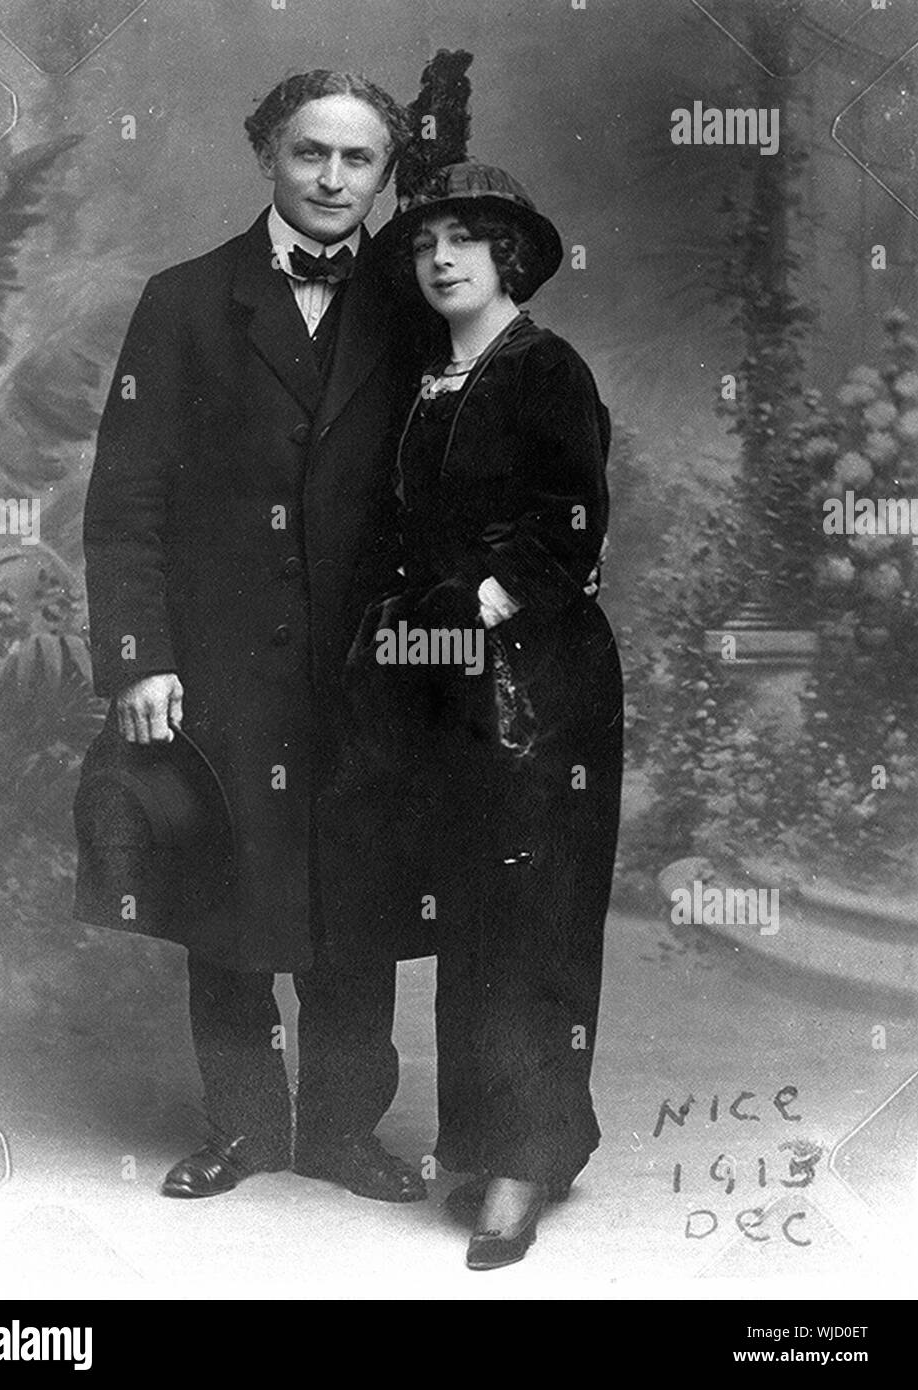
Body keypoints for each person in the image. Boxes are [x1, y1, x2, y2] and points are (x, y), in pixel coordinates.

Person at [80, 70, 433, 1205]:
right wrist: (139, 656)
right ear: (267, 158)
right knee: (224, 896)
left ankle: (340, 1129)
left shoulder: (419, 304)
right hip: (220, 663)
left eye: (358, 160)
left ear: (385, 174)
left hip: (371, 668)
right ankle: (241, 1127)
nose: (332, 180)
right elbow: (125, 497)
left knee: (358, 904)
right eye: (308, 154)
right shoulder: (182, 300)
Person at [352, 161, 624, 1268]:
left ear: (507, 255)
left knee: (535, 916)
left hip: (537, 688)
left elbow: (569, 522)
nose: (441, 259)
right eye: (424, 244)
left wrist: (477, 603)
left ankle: (527, 1158)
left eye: (465, 239)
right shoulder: (430, 377)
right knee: (473, 917)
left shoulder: (543, 367)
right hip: (448, 682)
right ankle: (478, 1139)